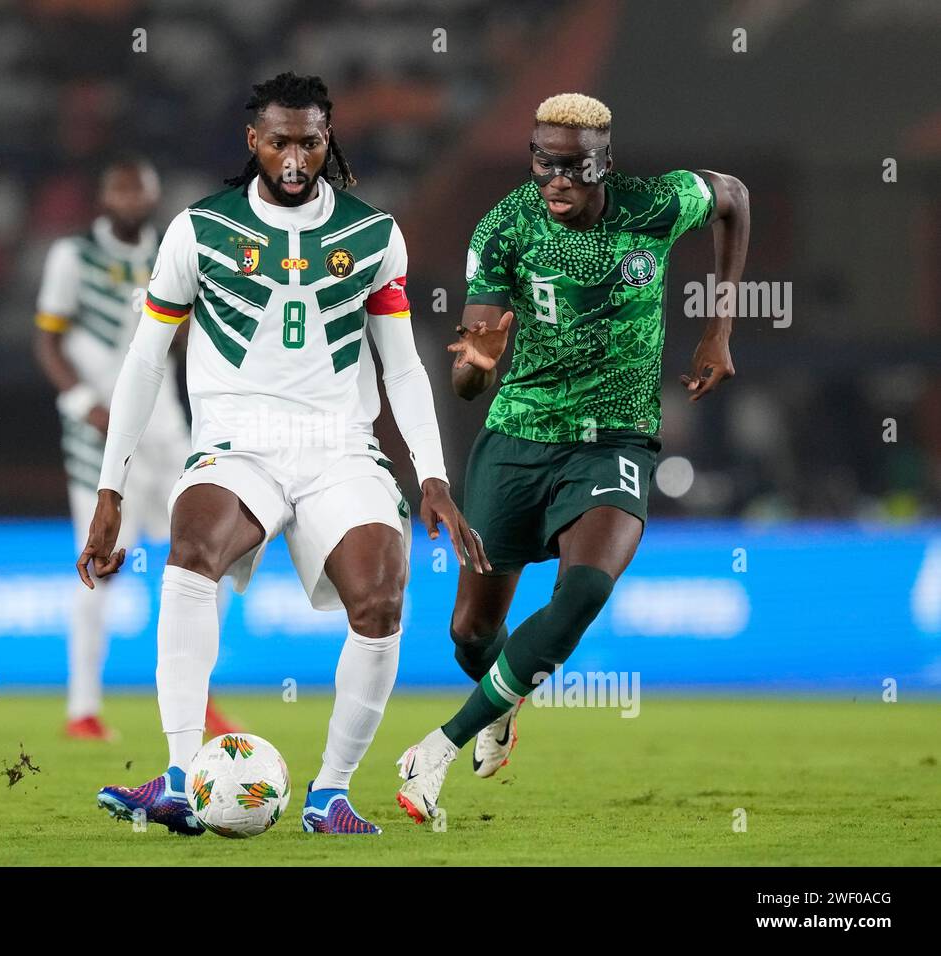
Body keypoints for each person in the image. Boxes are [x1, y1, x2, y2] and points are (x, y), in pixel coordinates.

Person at [79, 72, 488, 836]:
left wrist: (431, 473)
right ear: (252, 141)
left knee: (382, 596)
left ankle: (329, 794)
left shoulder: (373, 234)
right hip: (237, 443)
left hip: (340, 446)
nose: (294, 157)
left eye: (309, 141)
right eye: (279, 141)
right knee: (192, 547)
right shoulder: (198, 230)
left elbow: (400, 365)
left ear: (327, 140)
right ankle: (176, 777)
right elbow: (144, 360)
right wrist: (112, 489)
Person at [396, 93, 750, 822]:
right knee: (471, 636)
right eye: (542, 163)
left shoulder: (654, 204)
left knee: (584, 593)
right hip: (519, 436)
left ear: (606, 164)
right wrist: (478, 363)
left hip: (615, 439)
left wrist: (720, 327)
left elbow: (734, 198)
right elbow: (466, 382)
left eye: (573, 167)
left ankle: (437, 747)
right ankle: (500, 700)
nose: (554, 180)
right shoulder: (505, 228)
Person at [33, 155, 237, 741]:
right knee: (98, 567)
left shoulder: (171, 253)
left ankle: (198, 698)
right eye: (118, 189)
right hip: (96, 443)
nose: (129, 199)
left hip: (169, 435)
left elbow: (186, 342)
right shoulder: (73, 257)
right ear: (104, 196)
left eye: (139, 190)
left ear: (152, 197)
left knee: (206, 560)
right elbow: (47, 341)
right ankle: (83, 709)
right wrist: (83, 406)